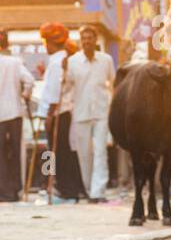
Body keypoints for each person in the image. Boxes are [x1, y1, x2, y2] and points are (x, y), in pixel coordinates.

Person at [35, 23, 85, 201]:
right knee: (58, 153)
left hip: (57, 114)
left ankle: (64, 189)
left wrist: (49, 115)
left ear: (50, 42)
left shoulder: (58, 61)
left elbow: (56, 92)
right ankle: (59, 187)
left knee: (57, 153)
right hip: (59, 112)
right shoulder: (60, 60)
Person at [64, 26, 115, 201]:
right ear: (80, 41)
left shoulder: (106, 60)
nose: (87, 41)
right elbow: (66, 87)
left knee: (101, 152)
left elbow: (113, 84)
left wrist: (113, 106)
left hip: (101, 112)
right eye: (84, 38)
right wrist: (63, 73)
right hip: (80, 113)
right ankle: (88, 189)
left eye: (90, 38)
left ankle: (98, 191)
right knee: (84, 154)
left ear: (95, 40)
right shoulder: (72, 62)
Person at [0, 31, 35, 201]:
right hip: (14, 113)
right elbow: (29, 80)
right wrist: (25, 93)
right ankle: (14, 190)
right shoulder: (15, 62)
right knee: (14, 153)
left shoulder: (14, 62)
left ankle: (3, 191)